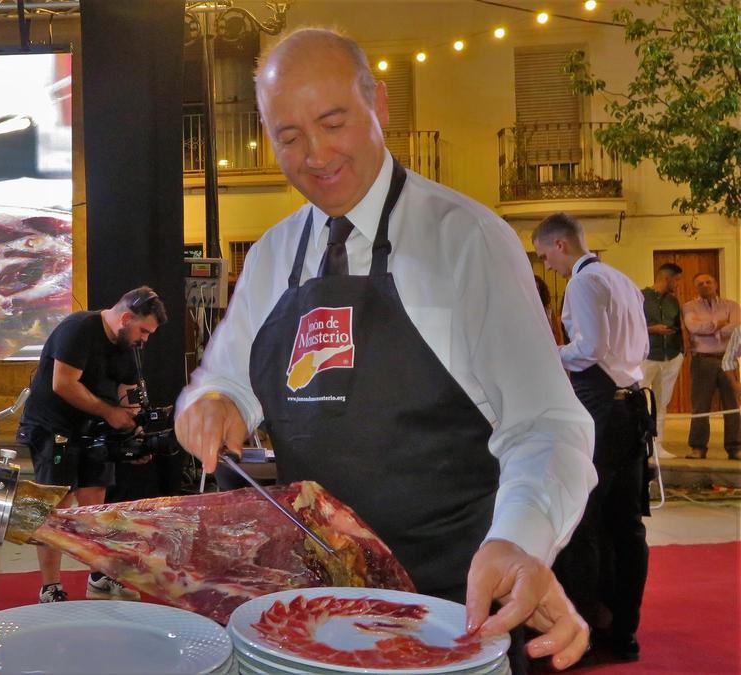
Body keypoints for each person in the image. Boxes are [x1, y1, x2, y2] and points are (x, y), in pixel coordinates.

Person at [174, 28, 594, 672]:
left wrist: (519, 541)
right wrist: (213, 403)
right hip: (308, 618)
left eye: (333, 122)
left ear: (380, 106)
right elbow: (221, 381)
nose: (315, 154)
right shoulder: (271, 257)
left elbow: (546, 425)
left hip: (452, 617)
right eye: (289, 137)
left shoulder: (467, 241)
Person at [532, 213, 651, 663]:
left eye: (546, 257)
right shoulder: (621, 278)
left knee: (584, 523)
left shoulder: (584, 284)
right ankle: (624, 632)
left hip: (600, 410)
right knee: (628, 527)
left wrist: (545, 352)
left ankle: (581, 632)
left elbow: (588, 350)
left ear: (560, 245)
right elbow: (636, 351)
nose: (548, 266)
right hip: (631, 406)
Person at [16, 287, 168, 602]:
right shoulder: (78, 329)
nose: (146, 339)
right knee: (54, 505)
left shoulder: (128, 345)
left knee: (96, 503)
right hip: (52, 426)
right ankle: (51, 586)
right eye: (144, 330)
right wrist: (110, 413)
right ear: (126, 318)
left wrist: (135, 437)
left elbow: (128, 395)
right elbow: (63, 384)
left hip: (94, 428)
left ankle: (100, 577)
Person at [682, 273, 741, 459]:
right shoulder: (689, 307)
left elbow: (737, 328)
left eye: (708, 282)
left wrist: (712, 329)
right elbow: (693, 328)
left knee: (732, 404)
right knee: (700, 406)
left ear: (715, 283)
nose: (705, 285)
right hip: (702, 360)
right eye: (700, 283)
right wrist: (719, 324)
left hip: (728, 358)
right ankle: (698, 447)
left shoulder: (732, 305)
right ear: (695, 287)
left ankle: (735, 447)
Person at [640, 263, 684, 460]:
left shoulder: (673, 302)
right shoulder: (640, 297)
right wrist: (652, 329)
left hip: (671, 356)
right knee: (639, 400)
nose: (677, 284)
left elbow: (679, 326)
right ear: (667, 278)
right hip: (647, 356)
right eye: (676, 280)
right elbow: (630, 324)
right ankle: (639, 445)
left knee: (662, 403)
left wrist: (682, 352)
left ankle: (658, 446)